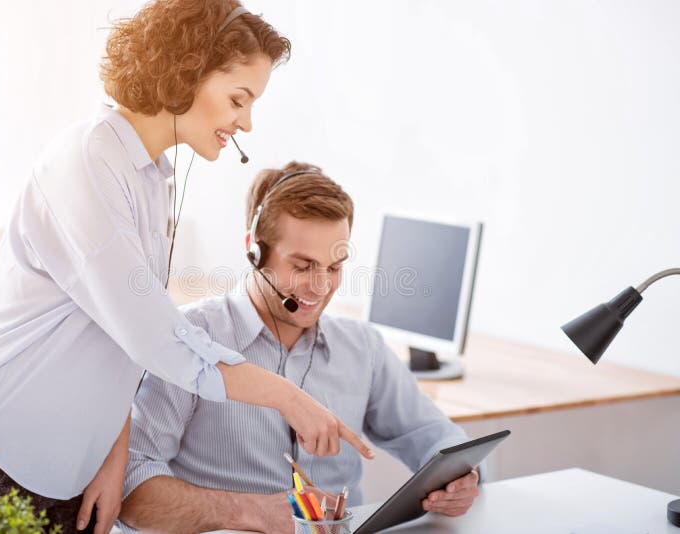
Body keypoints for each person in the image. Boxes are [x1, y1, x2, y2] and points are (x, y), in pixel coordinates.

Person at [0, 4, 371, 533]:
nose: (246, 122)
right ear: (185, 73)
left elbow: (124, 345)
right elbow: (159, 339)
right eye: (238, 99)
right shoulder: (85, 162)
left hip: (68, 473)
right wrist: (292, 399)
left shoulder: (154, 180)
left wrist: (113, 458)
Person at [118, 162, 481, 534]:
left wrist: (462, 479)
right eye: (303, 266)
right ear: (253, 251)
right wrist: (252, 513)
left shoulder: (361, 347)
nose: (321, 286)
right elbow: (130, 489)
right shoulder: (188, 339)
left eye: (334, 267)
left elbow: (435, 435)